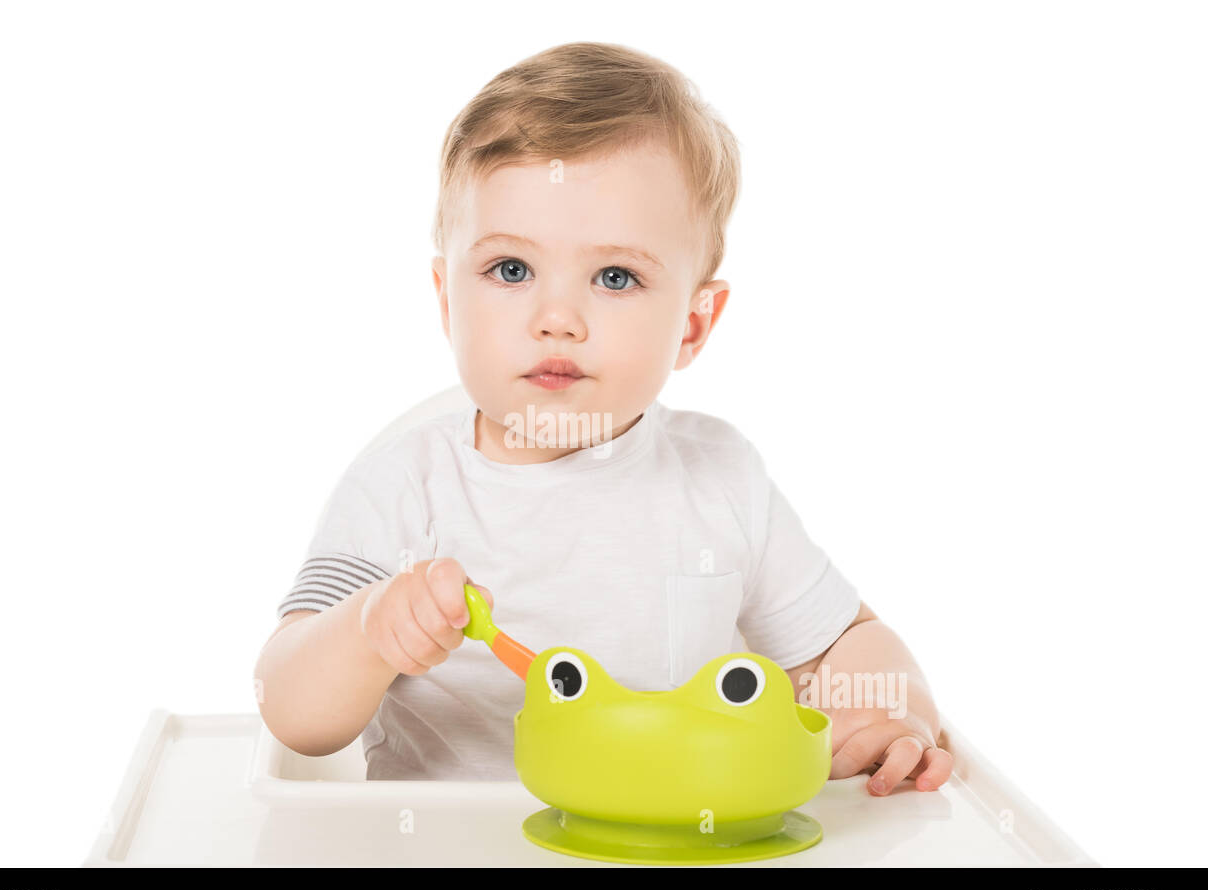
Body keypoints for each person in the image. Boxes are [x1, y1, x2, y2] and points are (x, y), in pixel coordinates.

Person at [254, 41, 953, 795]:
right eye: (511, 270)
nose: (558, 317)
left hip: (678, 841)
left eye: (615, 276)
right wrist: (369, 630)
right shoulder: (407, 485)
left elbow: (845, 641)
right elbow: (290, 709)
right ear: (447, 298)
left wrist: (891, 710)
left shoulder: (720, 477)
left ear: (692, 324)